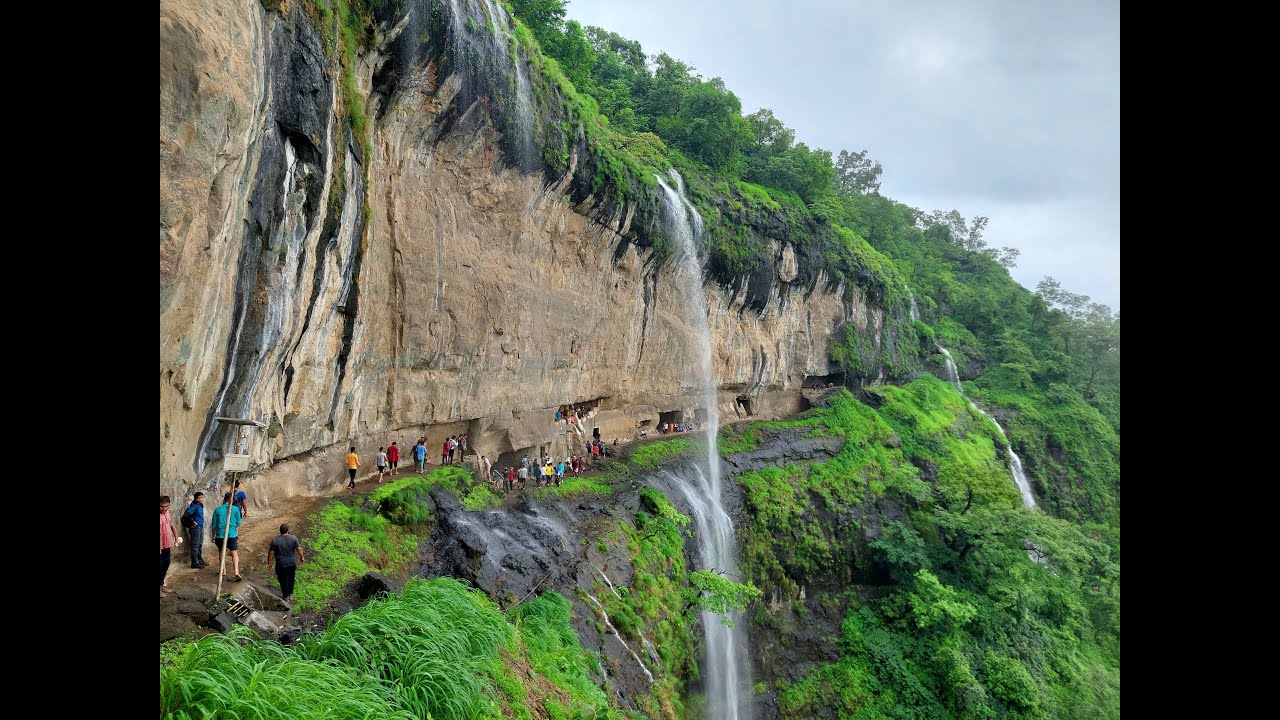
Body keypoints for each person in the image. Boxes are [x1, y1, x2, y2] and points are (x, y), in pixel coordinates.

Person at [266, 523, 306, 601]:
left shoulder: (275, 540)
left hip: (281, 564)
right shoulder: (293, 538)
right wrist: (302, 557)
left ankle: (285, 596)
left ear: (280, 531)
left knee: (282, 580)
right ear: (288, 530)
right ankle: (290, 594)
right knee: (291, 578)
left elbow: (271, 553)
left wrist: (269, 563)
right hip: (292, 563)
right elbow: (299, 549)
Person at [210, 492, 243, 582]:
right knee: (234, 552)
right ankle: (236, 571)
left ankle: (223, 570)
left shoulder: (217, 510)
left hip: (220, 534)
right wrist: (236, 534)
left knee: (221, 551)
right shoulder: (235, 509)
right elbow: (238, 523)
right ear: (232, 499)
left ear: (225, 499)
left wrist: (213, 536)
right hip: (232, 534)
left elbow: (213, 525)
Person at [160, 495, 183, 596]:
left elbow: (171, 525)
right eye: (161, 506)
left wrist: (176, 537)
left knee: (166, 563)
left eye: (166, 506)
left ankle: (161, 584)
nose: (164, 509)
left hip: (166, 544)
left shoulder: (167, 513)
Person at [182, 492, 208, 569]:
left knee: (199, 544)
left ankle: (199, 560)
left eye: (201, 498)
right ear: (195, 498)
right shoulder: (194, 506)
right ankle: (194, 563)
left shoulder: (200, 505)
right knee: (195, 545)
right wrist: (192, 522)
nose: (200, 499)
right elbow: (185, 516)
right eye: (198, 498)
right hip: (195, 528)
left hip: (200, 526)